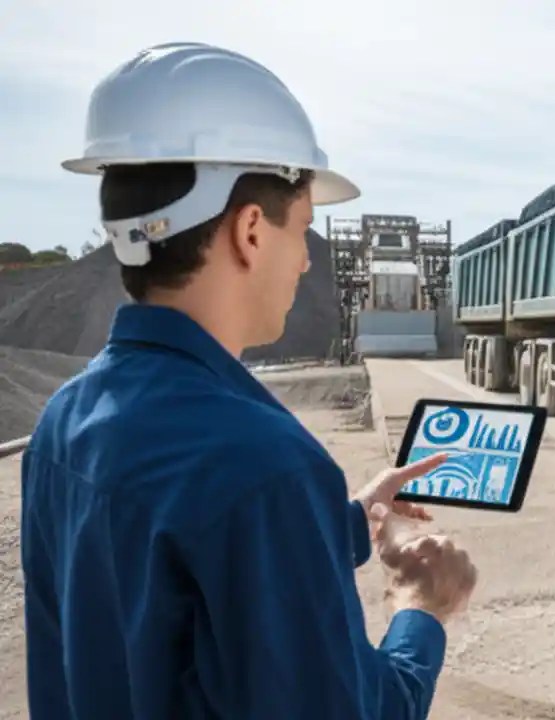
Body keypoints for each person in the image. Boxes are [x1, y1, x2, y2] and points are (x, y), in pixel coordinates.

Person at [20, 42, 476, 719]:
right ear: (253, 232)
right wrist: (422, 611)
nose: (303, 264)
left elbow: (185, 575)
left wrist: (345, 521)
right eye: (304, 232)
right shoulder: (266, 467)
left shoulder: (62, 424)